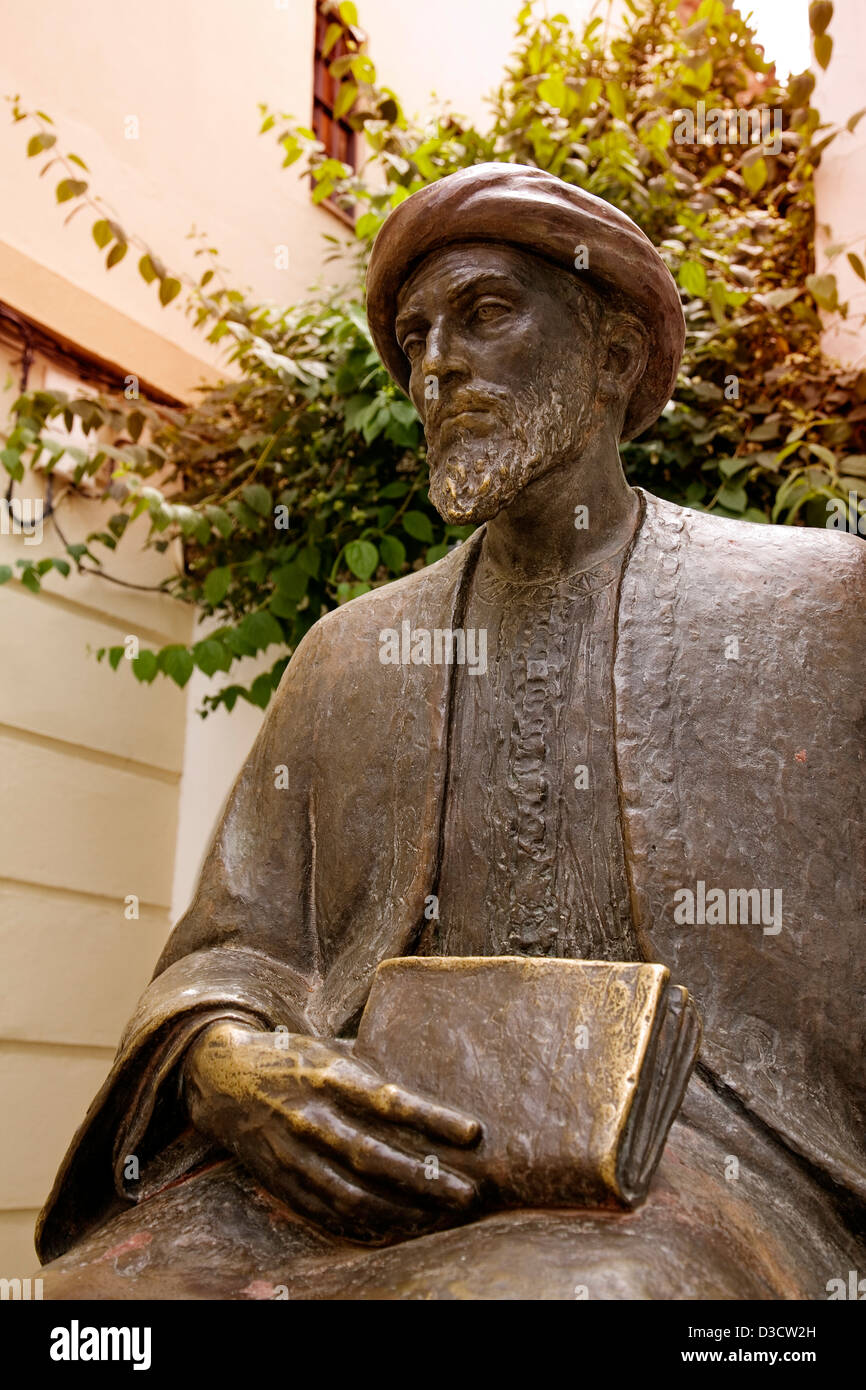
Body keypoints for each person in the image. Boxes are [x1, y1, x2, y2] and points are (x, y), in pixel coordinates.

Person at [35, 165, 866, 1300]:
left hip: (693, 1167)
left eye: (483, 314)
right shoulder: (347, 653)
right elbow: (235, 944)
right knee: (96, 1307)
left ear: (612, 355)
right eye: (415, 338)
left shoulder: (812, 609)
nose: (436, 365)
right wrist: (221, 1059)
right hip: (364, 1145)